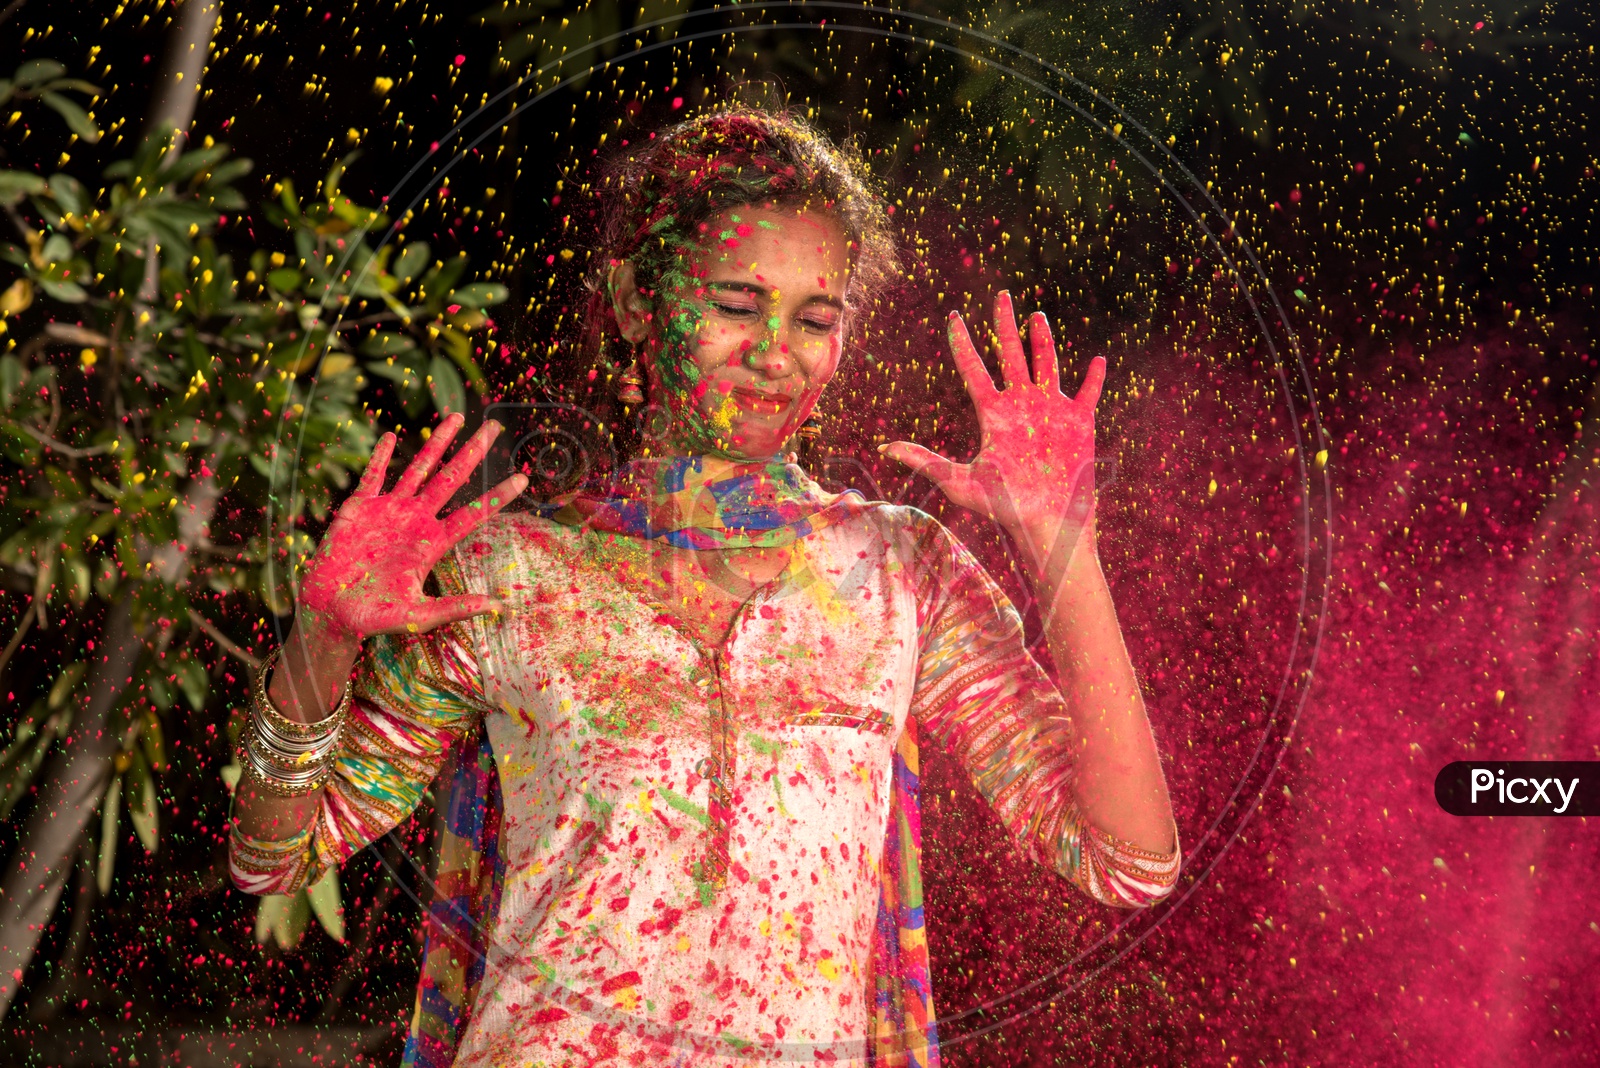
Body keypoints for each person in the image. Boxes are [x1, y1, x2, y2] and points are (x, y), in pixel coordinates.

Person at [229, 107, 1181, 1068]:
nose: (776, 352)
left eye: (816, 318)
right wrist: (324, 638)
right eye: (735, 304)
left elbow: (1130, 864)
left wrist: (1066, 550)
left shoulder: (899, 572)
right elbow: (274, 858)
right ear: (637, 303)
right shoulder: (512, 575)